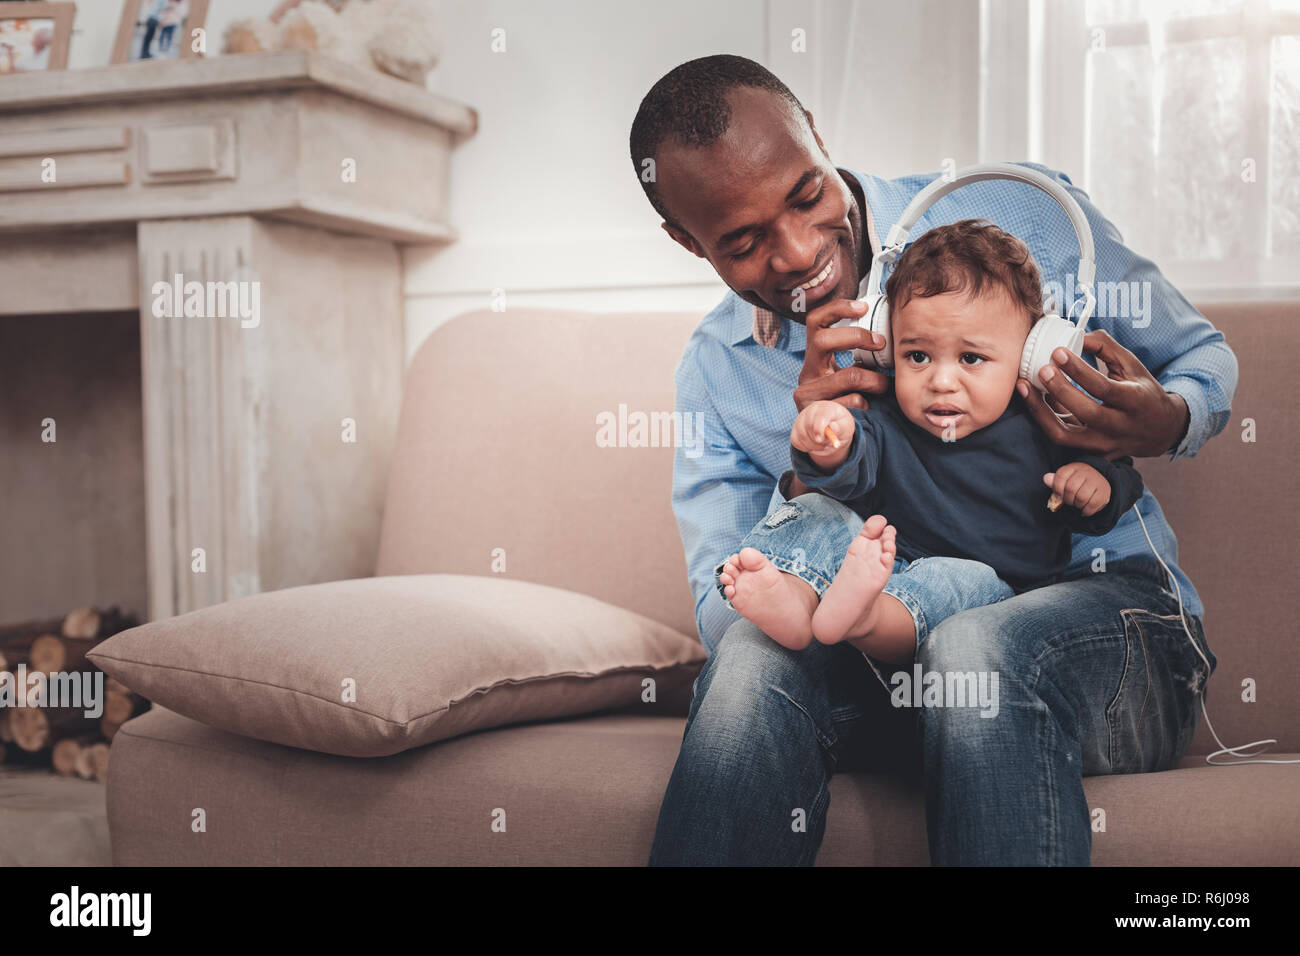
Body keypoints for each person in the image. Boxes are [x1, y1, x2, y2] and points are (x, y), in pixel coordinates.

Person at [630, 54, 1236, 865]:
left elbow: (1203, 359)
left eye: (808, 195)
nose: (801, 250)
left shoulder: (1020, 211)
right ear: (685, 241)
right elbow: (724, 604)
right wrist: (813, 452)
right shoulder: (717, 371)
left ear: (815, 133)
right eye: (742, 242)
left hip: (1109, 632)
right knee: (751, 656)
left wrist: (1163, 420)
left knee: (976, 647)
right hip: (889, 669)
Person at [715, 219, 1144, 663]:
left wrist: (1096, 482)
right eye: (917, 356)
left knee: (954, 580)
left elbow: (1118, 474)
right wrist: (829, 441)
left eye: (971, 358)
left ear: (1027, 356)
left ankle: (865, 618)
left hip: (990, 585)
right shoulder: (885, 416)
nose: (941, 381)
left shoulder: (1048, 424)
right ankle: (794, 596)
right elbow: (852, 464)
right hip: (877, 556)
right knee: (815, 509)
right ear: (888, 347)